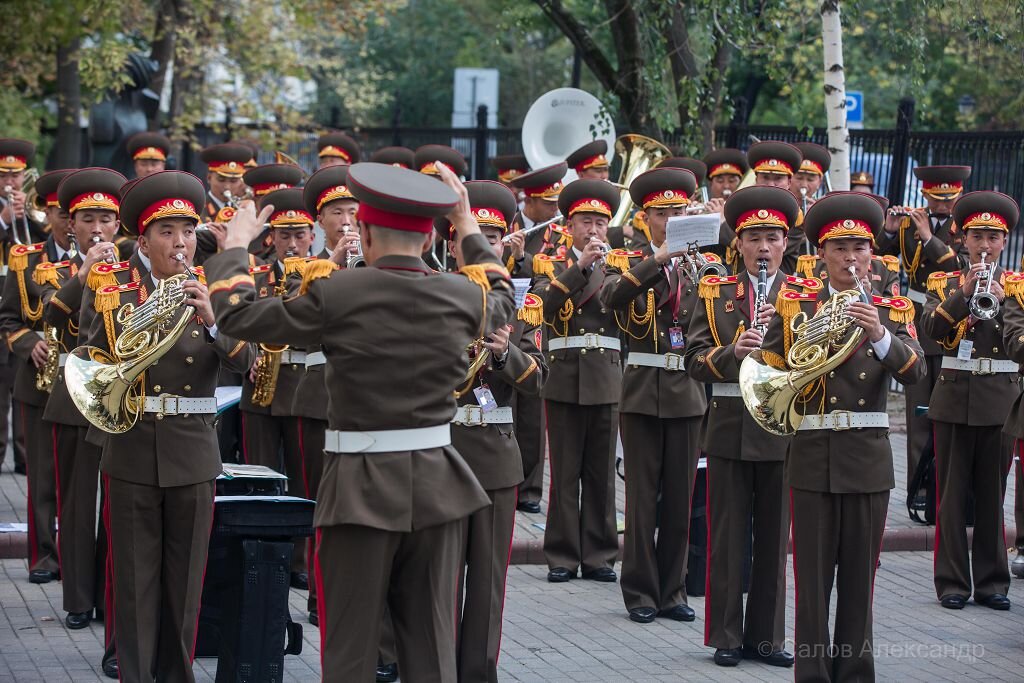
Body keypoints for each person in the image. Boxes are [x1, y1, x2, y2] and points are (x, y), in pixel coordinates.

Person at [204, 161, 514, 682]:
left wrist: (235, 246)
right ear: (427, 235)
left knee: (350, 646)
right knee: (432, 647)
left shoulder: (338, 293)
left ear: (365, 232)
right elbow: (503, 296)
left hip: (359, 488)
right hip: (440, 485)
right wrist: (467, 226)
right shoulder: (465, 294)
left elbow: (236, 316)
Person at [83, 170, 254, 682]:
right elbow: (90, 358)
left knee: (185, 585)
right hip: (133, 446)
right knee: (134, 582)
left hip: (193, 451)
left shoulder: (214, 288)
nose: (179, 243)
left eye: (186, 231)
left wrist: (215, 324)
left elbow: (246, 364)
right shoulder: (114, 290)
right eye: (166, 232)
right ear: (144, 238)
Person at [754, 191, 924, 682]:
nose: (851, 259)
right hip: (811, 453)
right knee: (811, 579)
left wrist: (880, 337)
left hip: (867, 458)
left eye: (859, 249)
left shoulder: (891, 308)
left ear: (873, 254)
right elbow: (769, 366)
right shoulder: (796, 304)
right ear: (821, 255)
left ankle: (855, 672)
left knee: (858, 582)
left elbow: (915, 372)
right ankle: (812, 674)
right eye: (840, 249)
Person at [685, 185, 809, 668]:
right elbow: (693, 360)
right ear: (736, 243)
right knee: (728, 536)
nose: (763, 247)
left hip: (783, 428)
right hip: (731, 425)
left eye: (772, 237)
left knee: (776, 538)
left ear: (785, 243)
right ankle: (726, 637)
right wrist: (731, 353)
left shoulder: (804, 294)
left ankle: (768, 638)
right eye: (753, 237)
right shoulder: (716, 292)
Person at [443, 179, 547, 682]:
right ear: (452, 243)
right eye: (474, 232)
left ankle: (477, 671)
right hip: (440, 451)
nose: (483, 241)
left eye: (493, 234)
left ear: (507, 243)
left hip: (493, 453)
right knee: (437, 578)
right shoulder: (434, 294)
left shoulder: (524, 305)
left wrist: (505, 352)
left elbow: (538, 382)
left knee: (487, 581)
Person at [599, 167, 707, 624]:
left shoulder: (707, 265)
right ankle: (641, 593)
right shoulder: (626, 260)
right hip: (642, 390)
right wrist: (658, 259)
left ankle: (673, 590)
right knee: (643, 500)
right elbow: (611, 298)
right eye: (664, 214)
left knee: (681, 498)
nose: (673, 220)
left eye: (680, 211)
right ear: (645, 219)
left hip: (687, 393)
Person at [35, 168, 123, 634]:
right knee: (76, 502)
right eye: (87, 218)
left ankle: (109, 594)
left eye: (106, 219)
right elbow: (51, 317)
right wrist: (85, 273)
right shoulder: (55, 267)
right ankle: (78, 598)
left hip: (120, 399)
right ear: (72, 224)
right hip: (73, 396)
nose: (97, 228)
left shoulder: (134, 262)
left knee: (117, 504)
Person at [924, 190, 1020, 611]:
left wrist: (998, 303)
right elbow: (930, 332)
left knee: (992, 494)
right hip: (953, 397)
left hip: (999, 401)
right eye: (977, 235)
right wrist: (964, 295)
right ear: (962, 239)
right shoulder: (942, 283)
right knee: (951, 495)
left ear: (1004, 242)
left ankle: (993, 582)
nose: (984, 244)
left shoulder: (1017, 287)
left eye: (993, 237)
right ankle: (951, 583)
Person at [532, 178, 622, 584]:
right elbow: (542, 309)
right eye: (585, 221)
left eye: (601, 223)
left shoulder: (621, 268)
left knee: (601, 473)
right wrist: (579, 267)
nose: (594, 230)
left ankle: (600, 554)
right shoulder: (549, 266)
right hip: (565, 374)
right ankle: (563, 555)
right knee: (565, 472)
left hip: (605, 377)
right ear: (569, 226)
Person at [0, 169, 76, 584]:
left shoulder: (108, 263)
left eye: (75, 214)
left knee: (80, 483)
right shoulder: (26, 258)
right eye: (60, 213)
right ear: (47, 214)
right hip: (39, 384)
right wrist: (29, 345)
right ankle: (44, 556)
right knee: (42, 477)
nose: (68, 222)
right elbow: (9, 318)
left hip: (85, 386)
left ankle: (79, 557)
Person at [876, 165, 971, 490]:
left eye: (949, 199)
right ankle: (917, 485)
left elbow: (956, 266)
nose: (943, 205)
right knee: (918, 410)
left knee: (945, 408)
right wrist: (888, 231)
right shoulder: (906, 224)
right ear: (925, 195)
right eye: (936, 198)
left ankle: (943, 483)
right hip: (916, 316)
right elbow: (879, 260)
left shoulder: (965, 228)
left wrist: (929, 238)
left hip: (951, 321)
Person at [0, 138, 46, 476]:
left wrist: (28, 216)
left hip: (20, 309)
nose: (10, 183)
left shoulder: (28, 209)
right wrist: (3, 220)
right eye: (3, 175)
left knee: (21, 381)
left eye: (16, 175)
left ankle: (24, 458)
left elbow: (41, 242)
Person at [744, 141, 805, 275]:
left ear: (789, 182)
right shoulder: (743, 210)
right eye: (765, 177)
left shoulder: (795, 215)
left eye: (778, 178)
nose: (771, 184)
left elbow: (747, 248)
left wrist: (723, 223)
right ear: (756, 179)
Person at [198, 142, 254, 223]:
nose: (227, 187)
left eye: (234, 181)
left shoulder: (243, 210)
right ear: (209, 178)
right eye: (221, 180)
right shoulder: (198, 210)